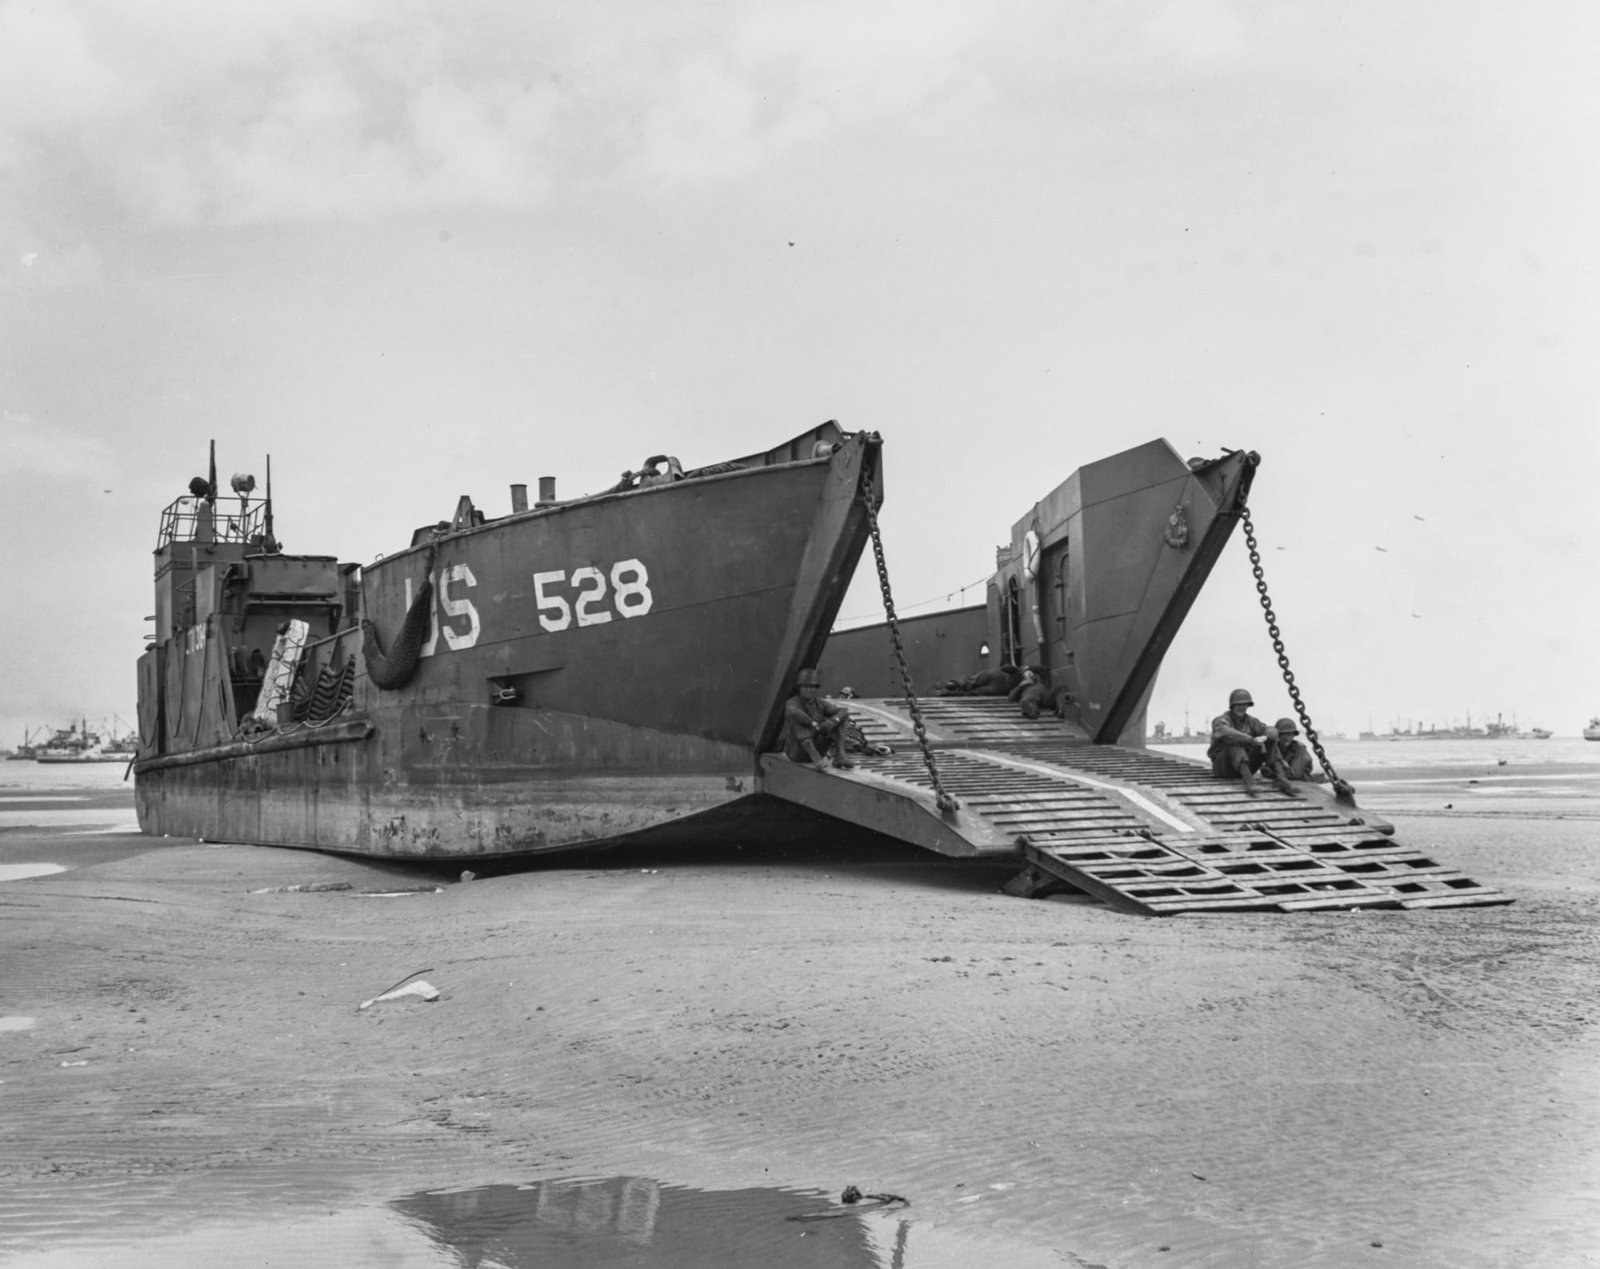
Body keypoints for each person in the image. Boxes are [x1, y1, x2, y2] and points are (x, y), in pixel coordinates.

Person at [1208, 688, 1296, 797]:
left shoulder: (1251, 721)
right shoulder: (1221, 720)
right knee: (1234, 743)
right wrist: (1251, 740)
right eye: (1239, 705)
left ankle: (1280, 779)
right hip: (1224, 768)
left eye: (1245, 705)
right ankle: (1249, 781)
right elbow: (1225, 732)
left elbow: (1272, 730)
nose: (1242, 708)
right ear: (1232, 706)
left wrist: (1265, 737)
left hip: (1245, 767)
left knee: (1270, 741)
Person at [780, 668, 853, 769]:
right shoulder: (793, 702)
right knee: (797, 719)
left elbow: (843, 711)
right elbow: (794, 712)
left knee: (838, 720)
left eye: (812, 687)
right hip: (797, 752)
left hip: (818, 747)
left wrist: (833, 721)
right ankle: (816, 758)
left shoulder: (820, 703)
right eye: (806, 687)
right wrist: (813, 724)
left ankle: (840, 755)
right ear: (799, 688)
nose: (809, 690)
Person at [1274, 718, 1324, 783]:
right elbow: (1265, 770)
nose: (1286, 738)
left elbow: (1294, 774)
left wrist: (1276, 771)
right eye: (1283, 734)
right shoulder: (1275, 747)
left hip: (1302, 782)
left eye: (1289, 734)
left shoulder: (1299, 749)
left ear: (1293, 735)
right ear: (1278, 735)